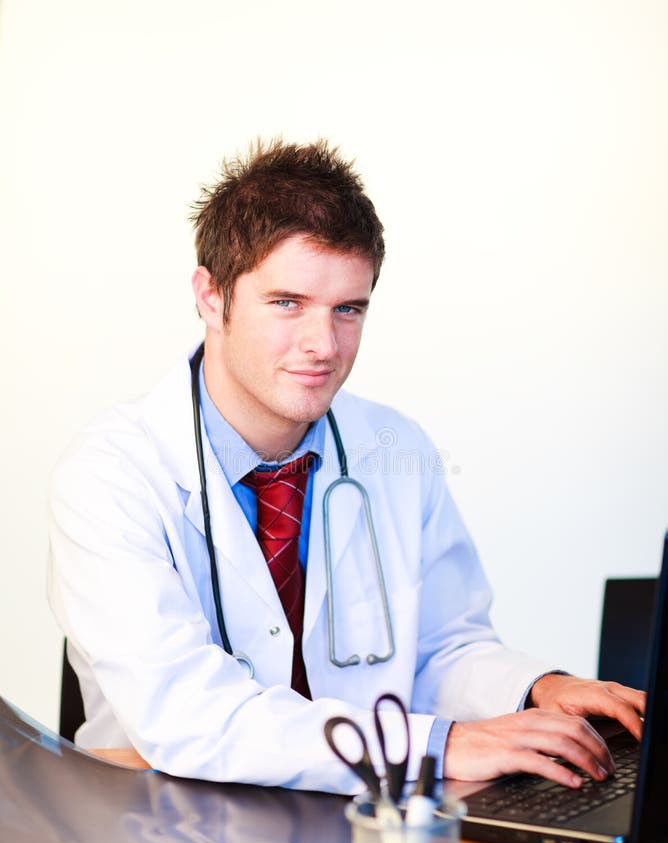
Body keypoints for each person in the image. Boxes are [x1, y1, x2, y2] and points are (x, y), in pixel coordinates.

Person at [48, 139, 644, 793]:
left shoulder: (394, 447)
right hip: (161, 831)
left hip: (354, 816)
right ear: (211, 297)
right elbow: (185, 715)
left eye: (348, 310)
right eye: (287, 303)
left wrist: (536, 689)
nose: (322, 345)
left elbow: (439, 648)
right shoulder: (110, 475)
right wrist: (440, 745)